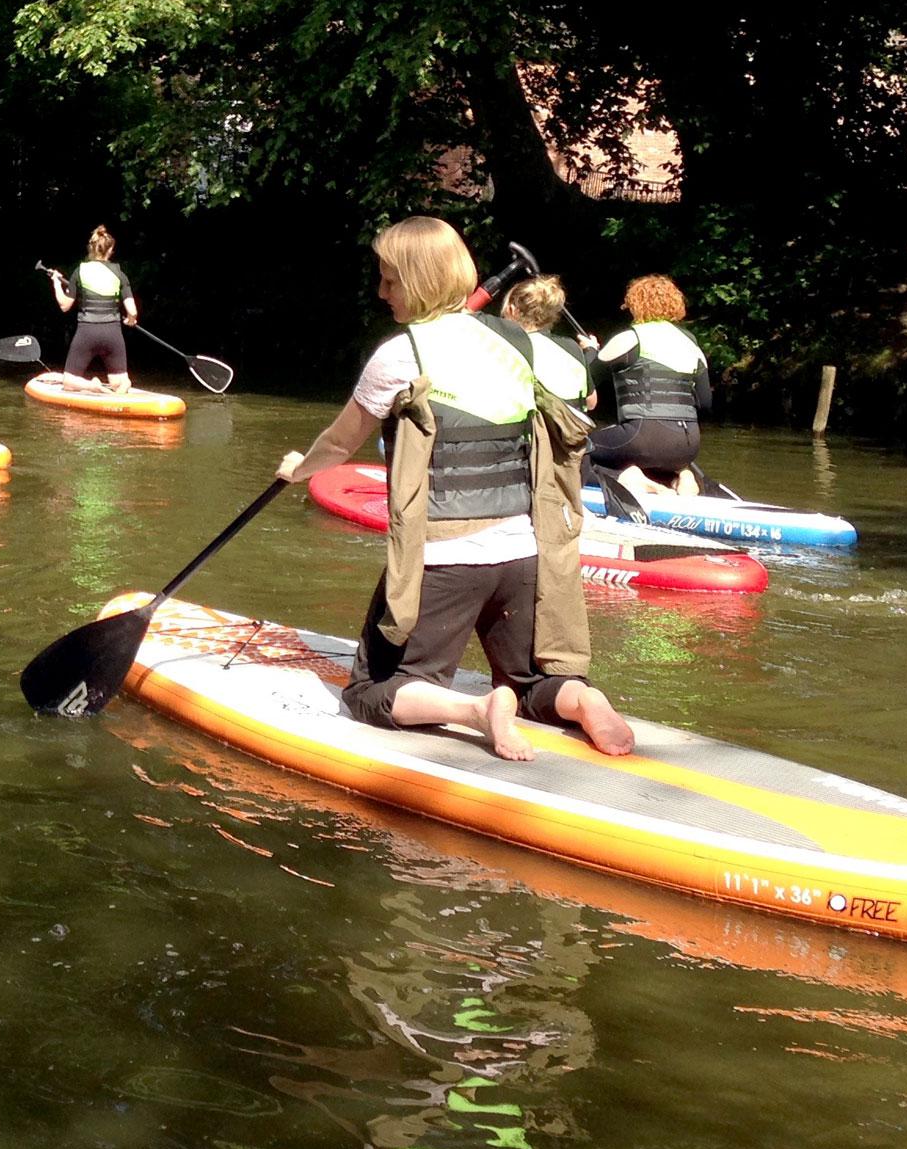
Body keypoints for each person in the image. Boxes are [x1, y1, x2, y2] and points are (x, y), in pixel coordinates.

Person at [276, 217, 634, 762]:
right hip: (525, 554)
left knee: (371, 692)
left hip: (447, 560)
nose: (381, 291)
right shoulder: (515, 341)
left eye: (389, 280)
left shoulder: (402, 354)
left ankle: (476, 710)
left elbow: (340, 445)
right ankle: (583, 698)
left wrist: (299, 468)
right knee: (531, 680)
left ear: (417, 282)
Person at [583, 274, 709, 496]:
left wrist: (591, 351)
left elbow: (586, 382)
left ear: (636, 305)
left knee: (575, 448)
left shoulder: (630, 338)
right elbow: (705, 402)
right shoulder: (692, 344)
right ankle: (682, 476)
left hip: (643, 438)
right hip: (688, 445)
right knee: (649, 454)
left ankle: (627, 479)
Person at [46, 224, 137, 391]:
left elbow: (65, 306)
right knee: (118, 381)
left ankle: (91, 385)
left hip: (87, 332)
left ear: (92, 248)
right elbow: (132, 311)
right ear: (110, 251)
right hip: (113, 333)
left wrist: (56, 283)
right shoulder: (120, 274)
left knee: (68, 382)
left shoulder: (80, 271)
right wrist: (131, 320)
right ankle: (124, 383)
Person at [502, 275, 592, 411]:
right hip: (573, 430)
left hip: (532, 430)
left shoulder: (511, 348)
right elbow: (591, 402)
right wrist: (590, 353)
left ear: (512, 311)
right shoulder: (572, 347)